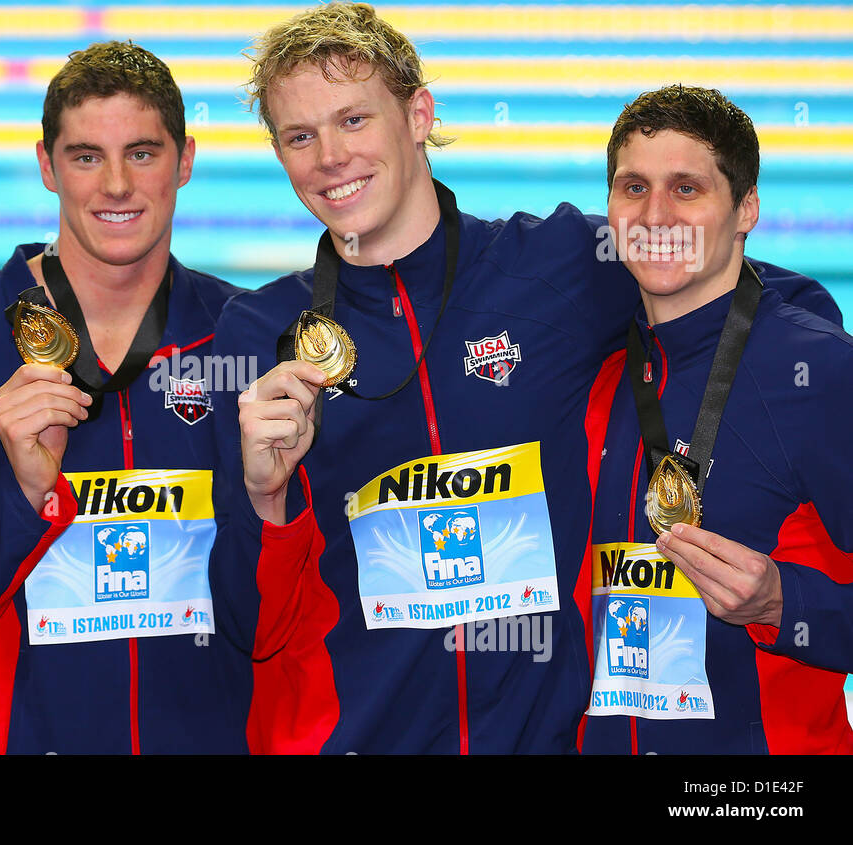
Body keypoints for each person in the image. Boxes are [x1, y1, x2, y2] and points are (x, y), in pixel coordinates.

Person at [210, 2, 841, 754]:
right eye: (299, 136)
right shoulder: (260, 335)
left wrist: (818, 370)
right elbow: (247, 630)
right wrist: (263, 497)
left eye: (353, 121)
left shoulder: (559, 266)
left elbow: (729, 286)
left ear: (418, 114)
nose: (329, 158)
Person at [0, 41, 251, 754]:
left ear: (186, 160)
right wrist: (20, 496)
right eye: (85, 157)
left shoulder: (243, 332)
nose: (115, 185)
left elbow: (284, 611)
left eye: (142, 153)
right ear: (47, 166)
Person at [580, 86, 853, 754]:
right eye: (633, 187)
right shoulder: (592, 369)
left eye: (686, 189)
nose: (654, 215)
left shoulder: (821, 374)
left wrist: (785, 603)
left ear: (745, 210)